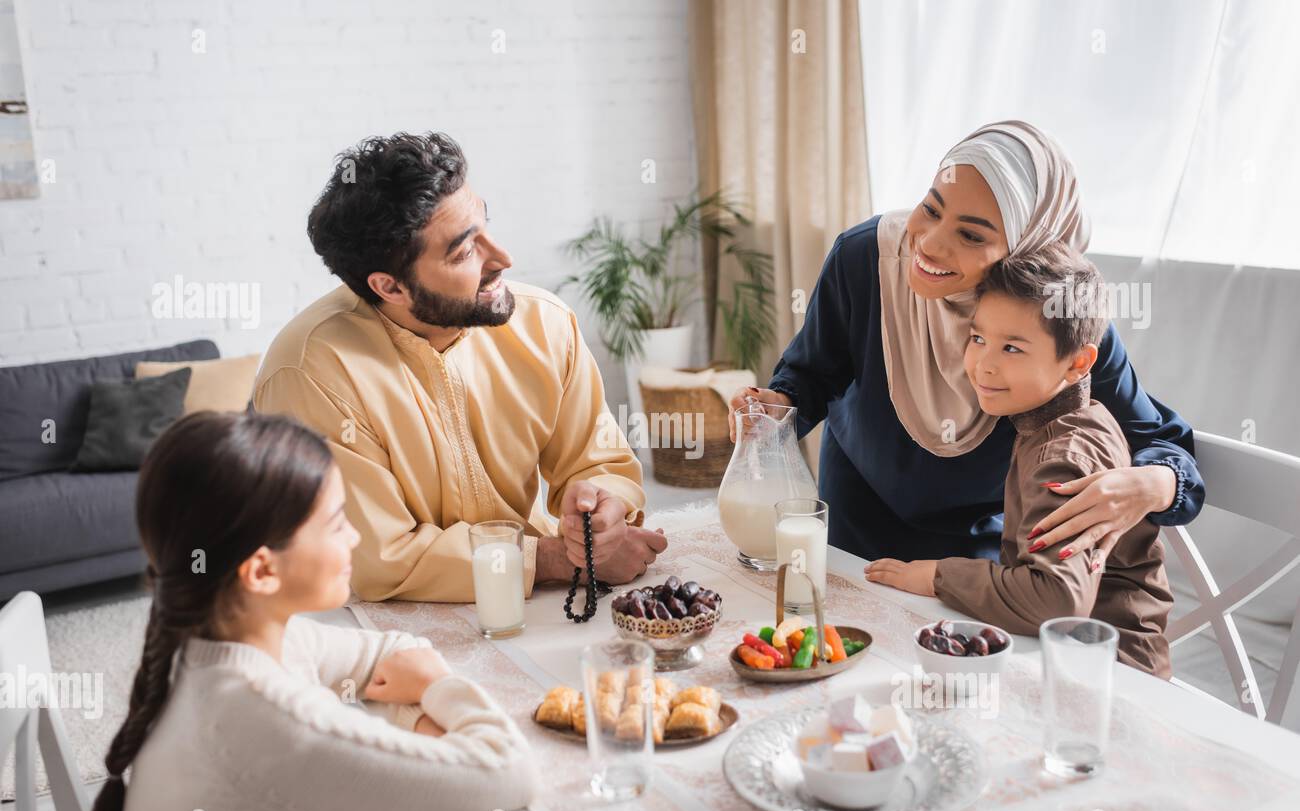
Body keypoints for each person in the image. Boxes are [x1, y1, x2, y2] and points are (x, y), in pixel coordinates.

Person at [729, 121, 1203, 568]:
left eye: (971, 234)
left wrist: (1153, 484)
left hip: (981, 567)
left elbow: (1158, 442)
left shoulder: (1059, 318)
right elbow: (813, 374)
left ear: (1029, 246)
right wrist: (779, 405)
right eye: (931, 208)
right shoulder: (863, 259)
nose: (929, 244)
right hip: (849, 541)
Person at [90, 412, 539, 811]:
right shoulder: (272, 722)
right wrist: (435, 689)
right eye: (336, 522)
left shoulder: (212, 640)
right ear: (263, 570)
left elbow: (393, 652)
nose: (356, 535)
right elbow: (511, 774)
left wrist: (424, 722)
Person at [254, 132, 667, 602]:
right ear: (390, 287)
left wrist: (601, 511)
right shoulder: (309, 373)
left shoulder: (544, 324)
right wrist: (554, 558)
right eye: (465, 251)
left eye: (486, 225)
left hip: (526, 604)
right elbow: (379, 558)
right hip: (372, 628)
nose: (504, 258)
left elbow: (600, 461)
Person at [868, 246, 1173, 677]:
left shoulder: (1062, 455)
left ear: (1078, 362)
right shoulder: (1064, 420)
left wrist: (938, 575)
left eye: (1012, 348)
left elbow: (1057, 598)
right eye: (978, 339)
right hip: (1070, 657)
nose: (983, 366)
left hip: (1110, 676)